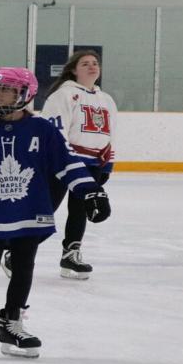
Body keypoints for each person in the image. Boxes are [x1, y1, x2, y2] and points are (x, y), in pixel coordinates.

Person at [0, 67, 109, 360]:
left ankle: (12, 323)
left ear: (24, 94)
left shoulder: (43, 129)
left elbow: (67, 164)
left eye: (3, 90)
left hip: (30, 208)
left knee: (23, 266)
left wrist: (91, 191)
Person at [39, 50, 118, 280]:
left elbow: (111, 134)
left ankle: (70, 256)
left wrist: (107, 165)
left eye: (95, 63)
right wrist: (66, 159)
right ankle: (17, 251)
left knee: (80, 211)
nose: (92, 67)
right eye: (85, 64)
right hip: (63, 163)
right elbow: (55, 132)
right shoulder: (63, 96)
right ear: (74, 69)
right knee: (46, 209)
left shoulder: (106, 100)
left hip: (93, 164)